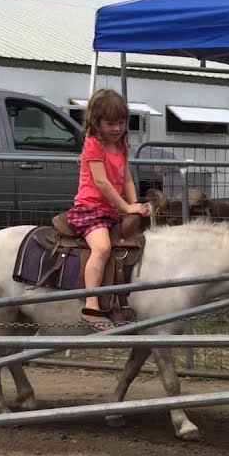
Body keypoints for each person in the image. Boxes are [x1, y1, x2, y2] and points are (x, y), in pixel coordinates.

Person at [65, 88, 149, 330]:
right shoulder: (93, 145)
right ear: (96, 121)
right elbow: (101, 182)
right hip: (90, 209)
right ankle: (91, 306)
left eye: (121, 122)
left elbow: (127, 179)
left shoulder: (121, 145)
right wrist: (126, 206)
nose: (117, 128)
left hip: (111, 209)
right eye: (110, 123)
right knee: (101, 248)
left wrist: (136, 205)